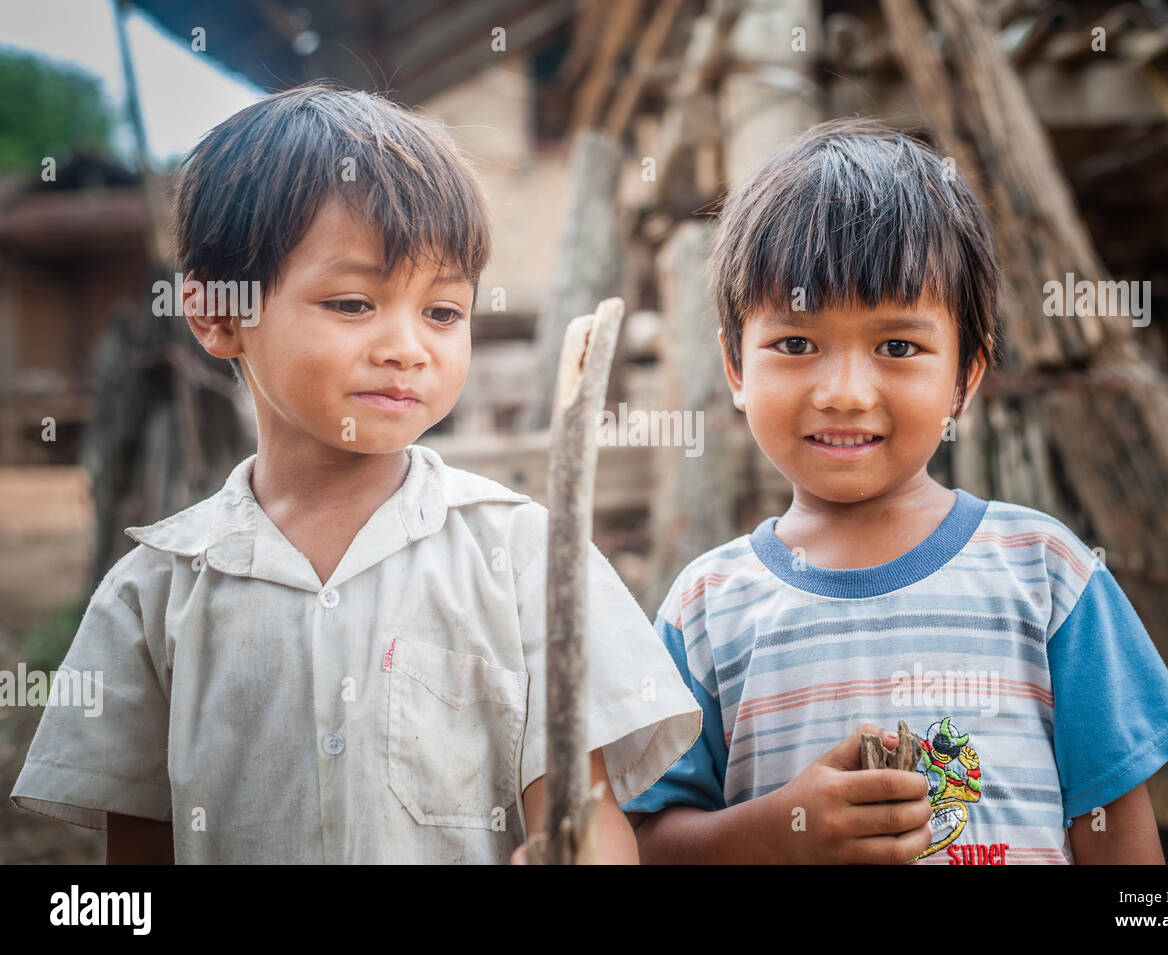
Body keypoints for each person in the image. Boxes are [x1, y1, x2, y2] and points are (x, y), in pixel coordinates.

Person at [10, 82, 701, 864]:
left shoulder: (529, 560)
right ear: (216, 314)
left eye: (442, 312)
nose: (408, 346)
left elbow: (587, 821)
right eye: (351, 303)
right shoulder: (154, 594)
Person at [621, 117, 1168, 864]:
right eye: (796, 344)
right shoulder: (705, 608)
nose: (844, 392)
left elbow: (1117, 832)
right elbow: (644, 844)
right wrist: (782, 829)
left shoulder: (1047, 574)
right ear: (736, 367)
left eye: (898, 347)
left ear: (966, 375)